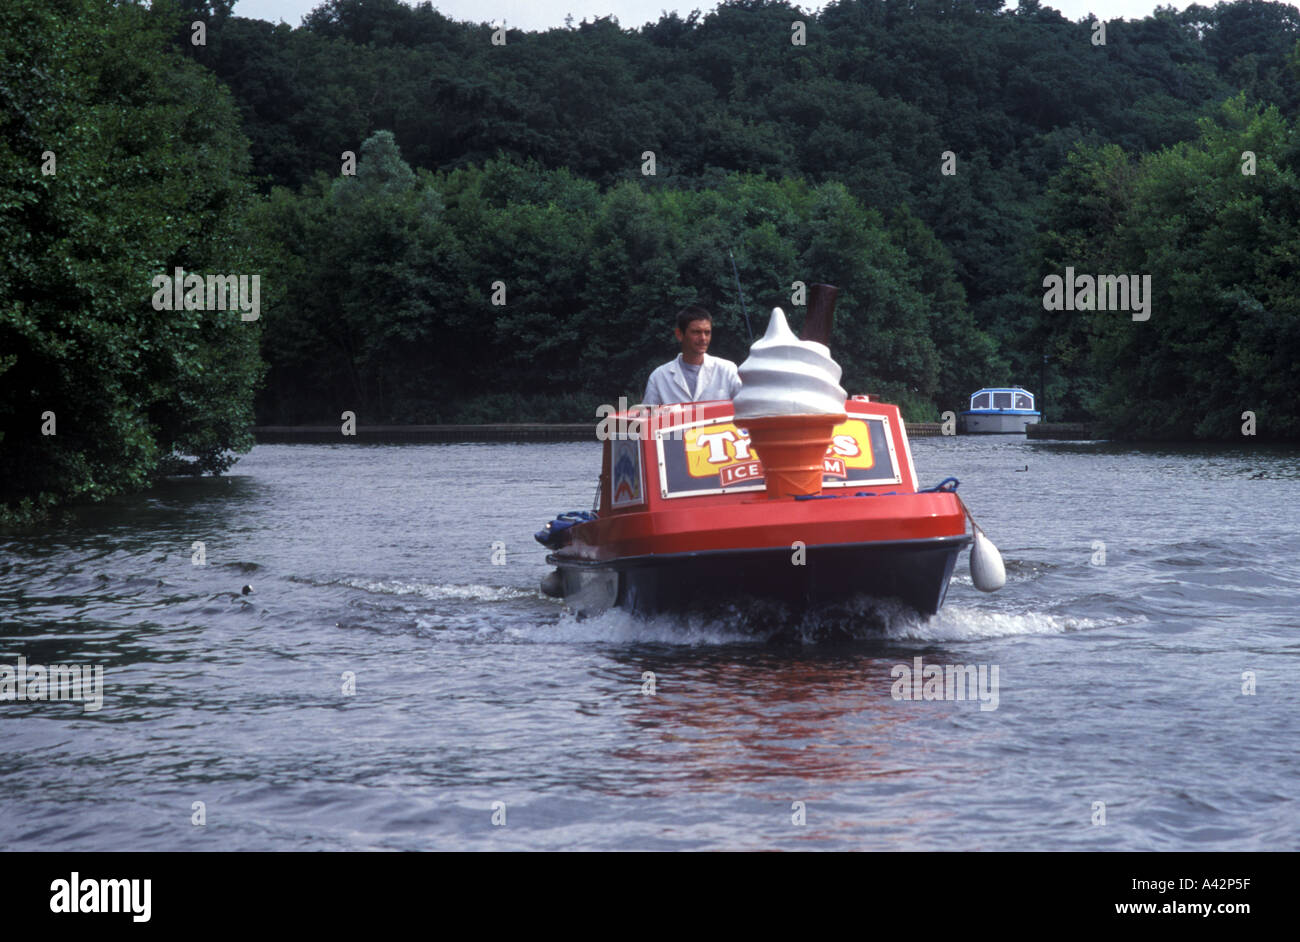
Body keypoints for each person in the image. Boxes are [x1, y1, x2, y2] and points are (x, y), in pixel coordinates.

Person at [642, 306, 742, 405]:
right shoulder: (659, 377)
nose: (703, 338)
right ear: (679, 334)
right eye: (696, 332)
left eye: (707, 333)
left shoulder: (727, 370)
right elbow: (647, 417)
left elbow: (746, 408)